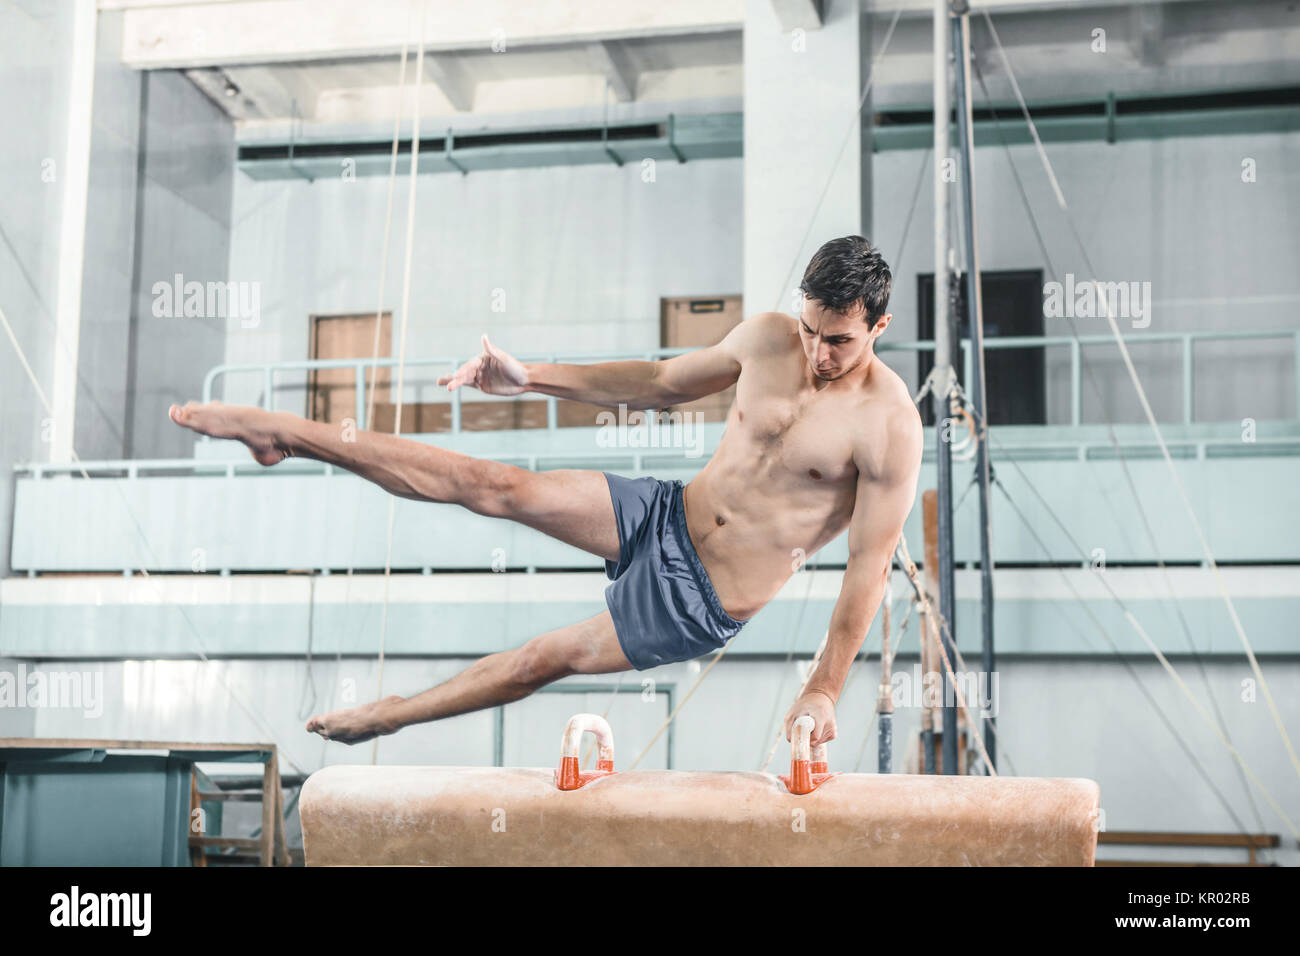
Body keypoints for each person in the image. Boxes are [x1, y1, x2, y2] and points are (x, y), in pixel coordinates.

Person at [168, 235, 923, 750]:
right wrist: (531, 379)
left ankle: (394, 716)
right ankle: (286, 434)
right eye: (812, 329)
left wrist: (823, 689)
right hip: (666, 514)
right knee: (492, 484)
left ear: (879, 326)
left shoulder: (889, 425)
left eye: (840, 340)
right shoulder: (767, 339)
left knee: (542, 658)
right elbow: (658, 385)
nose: (819, 352)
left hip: (703, 598)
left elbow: (867, 568)